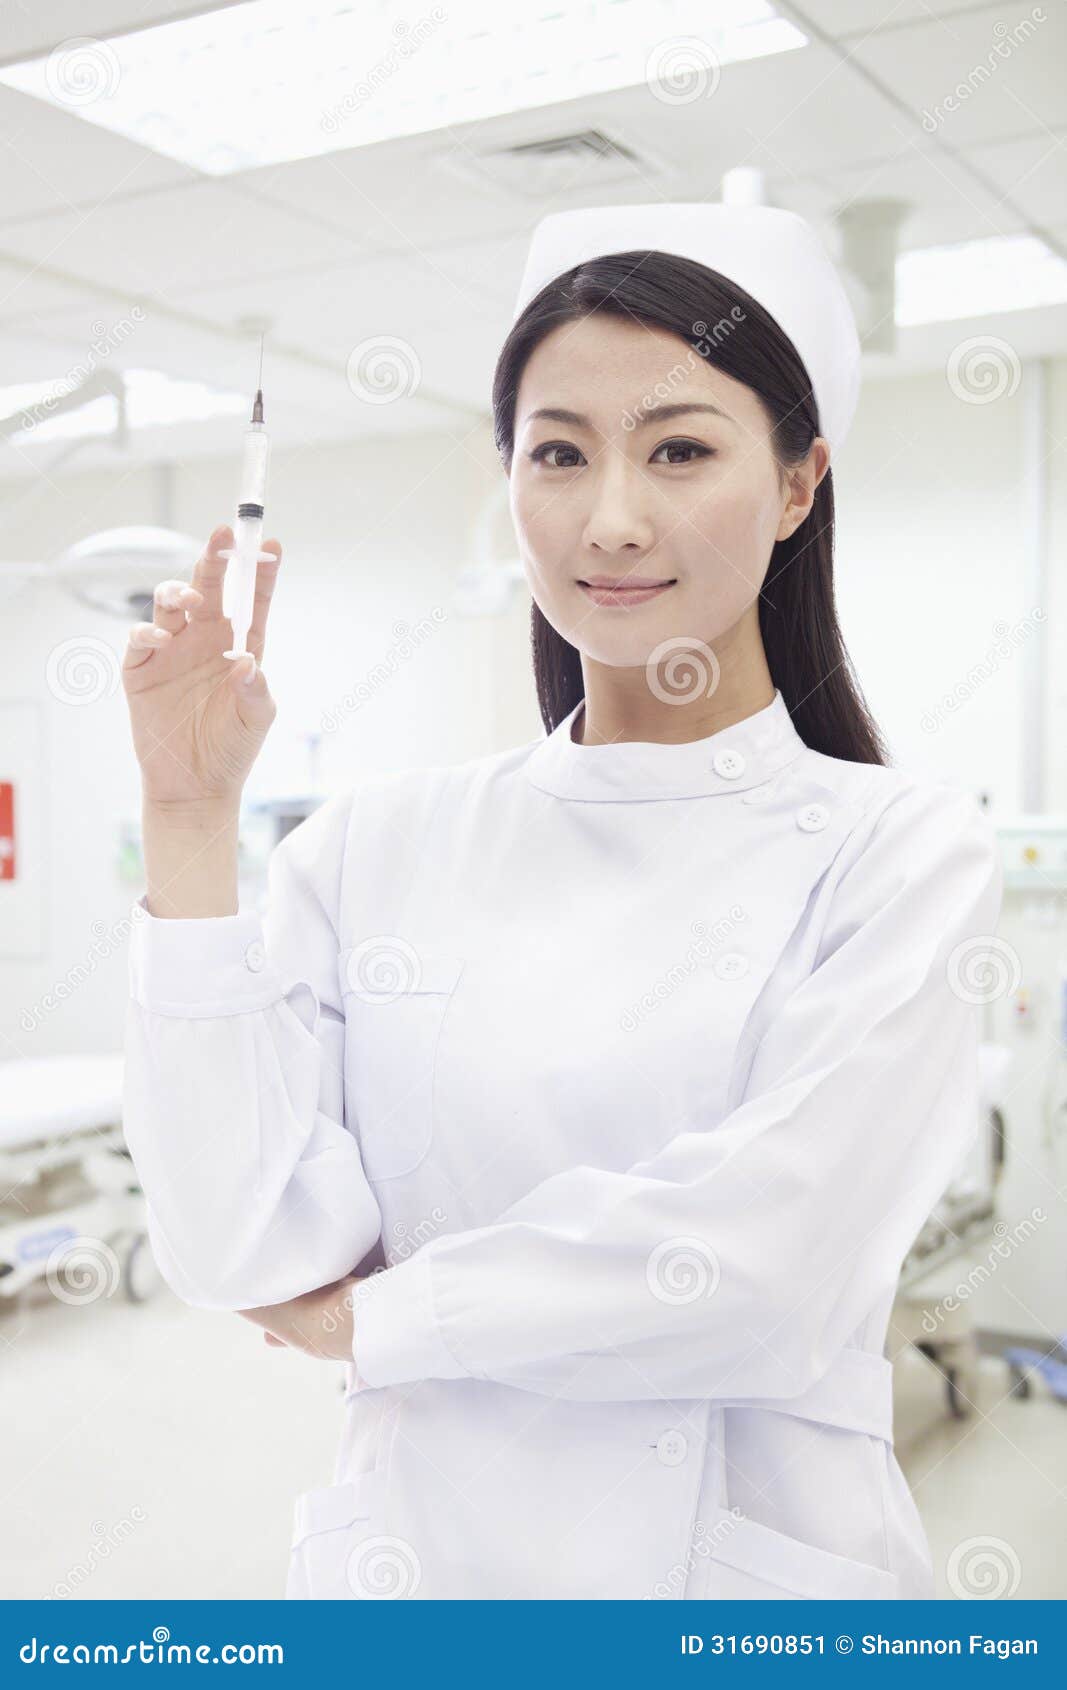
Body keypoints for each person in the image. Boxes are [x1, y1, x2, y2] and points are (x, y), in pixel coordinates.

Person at [121, 203, 1003, 1601]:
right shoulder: (373, 847)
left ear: (798, 483)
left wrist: (374, 1321)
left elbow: (760, 1272)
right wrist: (187, 824)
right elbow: (240, 1238)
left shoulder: (898, 852)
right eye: (559, 453)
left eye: (681, 449)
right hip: (418, 1578)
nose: (612, 519)